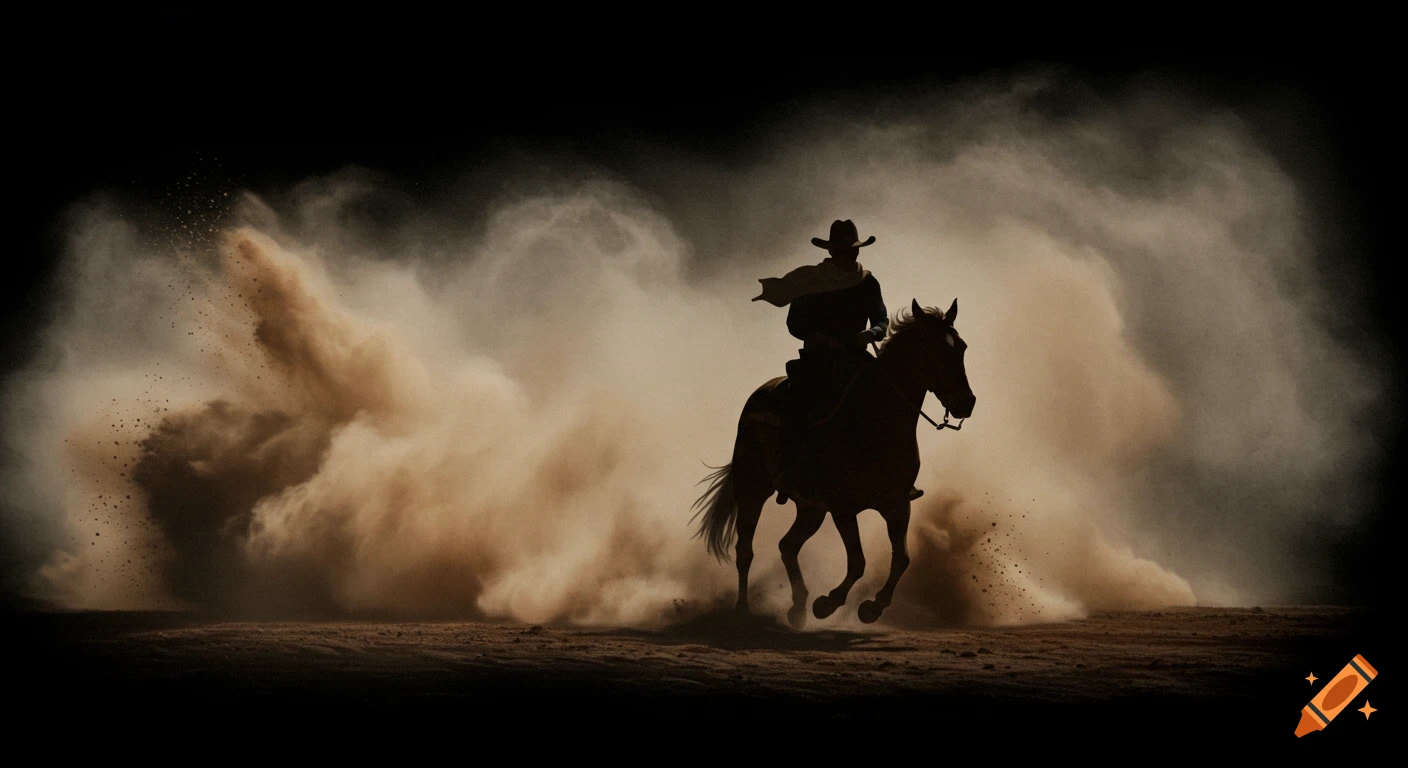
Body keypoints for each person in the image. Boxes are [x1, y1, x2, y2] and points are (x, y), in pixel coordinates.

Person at [753, 219, 923, 504]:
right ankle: (790, 471)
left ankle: (896, 475)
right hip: (818, 360)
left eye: (852, 250)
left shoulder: (867, 282)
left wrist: (870, 333)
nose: (849, 256)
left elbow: (880, 319)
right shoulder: (810, 281)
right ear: (833, 252)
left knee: (889, 402)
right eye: (844, 251)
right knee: (801, 405)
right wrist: (822, 338)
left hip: (857, 358)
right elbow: (796, 324)